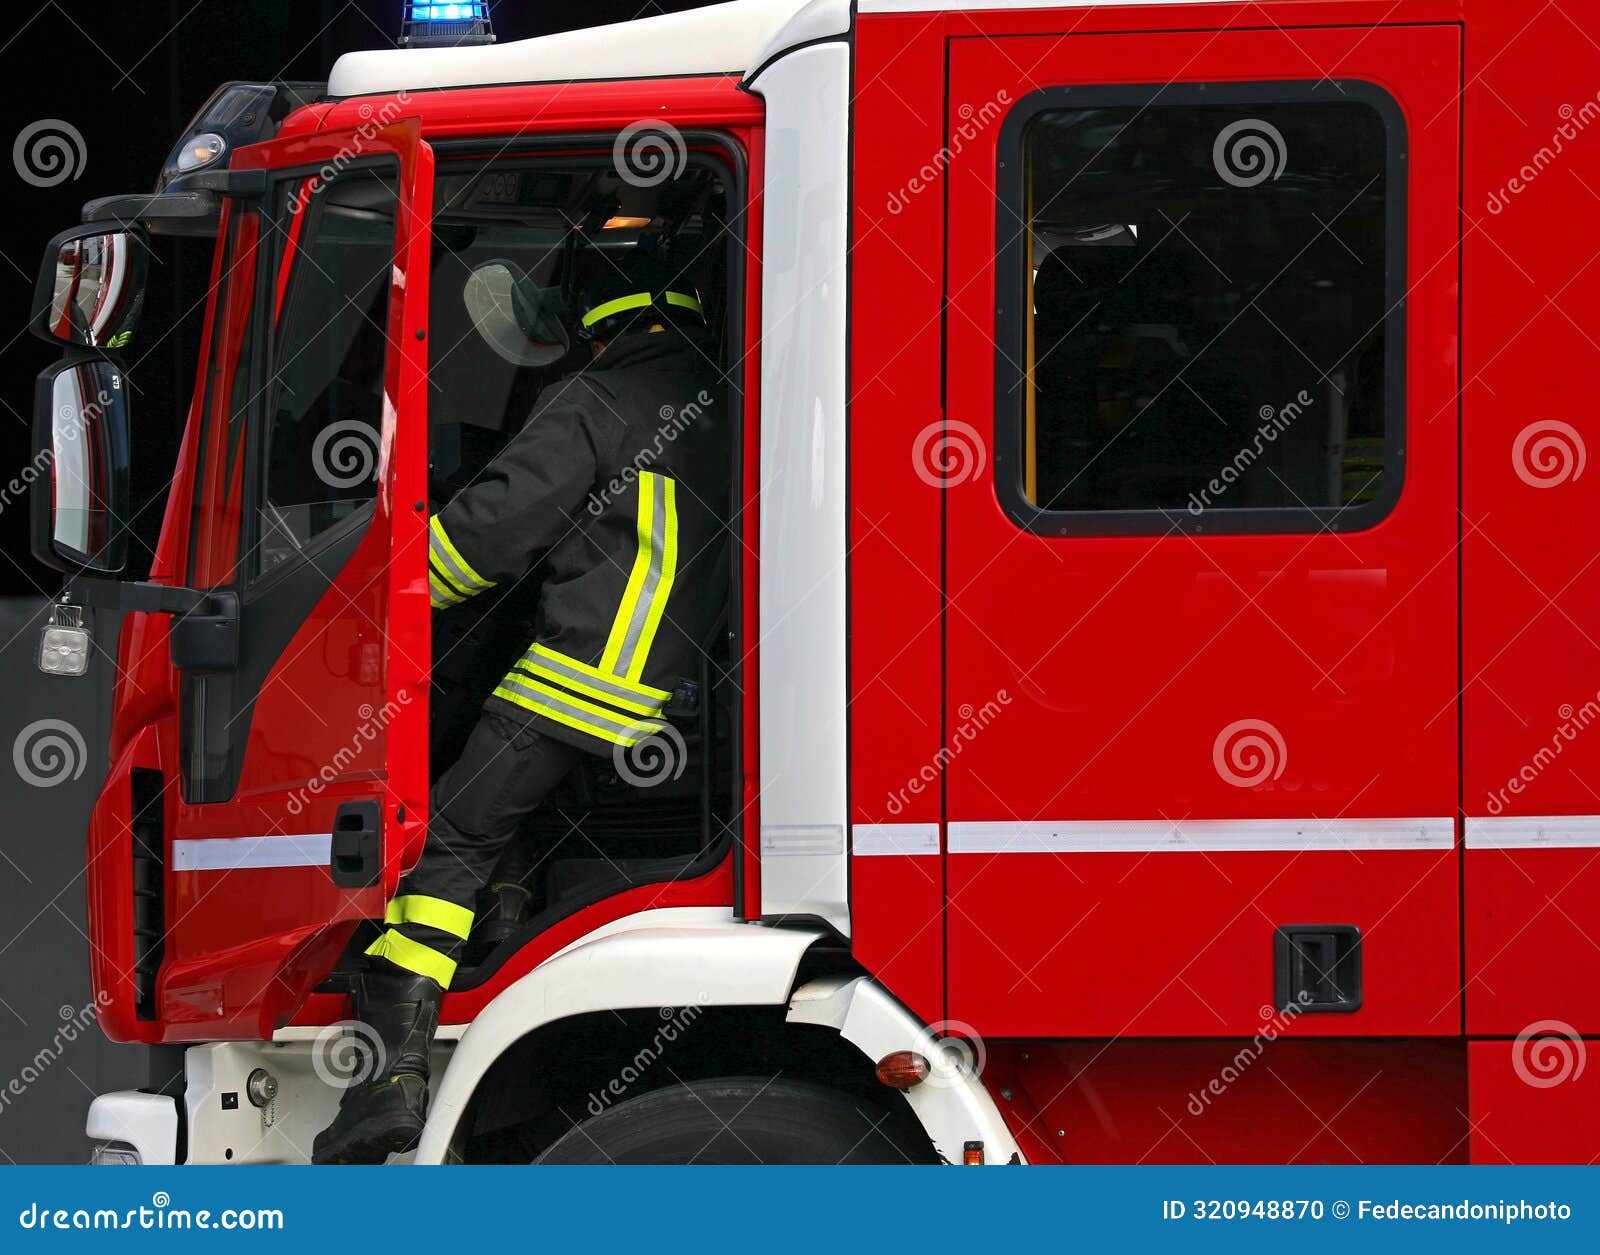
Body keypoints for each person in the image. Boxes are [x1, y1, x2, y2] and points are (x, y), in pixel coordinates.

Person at [313, 239, 729, 1164]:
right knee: (511, 823)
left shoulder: (600, 399)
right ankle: (496, 944)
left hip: (588, 683)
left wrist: (365, 588)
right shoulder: (727, 397)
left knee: (448, 841)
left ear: (595, 317)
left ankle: (387, 1081)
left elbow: (486, 539)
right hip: (683, 702)